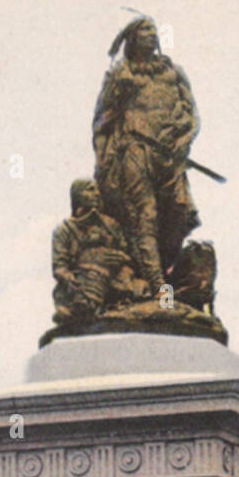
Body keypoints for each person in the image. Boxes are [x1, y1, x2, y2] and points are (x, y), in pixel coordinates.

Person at [92, 16, 201, 294]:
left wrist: (184, 141)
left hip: (171, 157)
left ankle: (162, 271)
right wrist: (105, 159)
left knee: (178, 209)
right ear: (132, 38)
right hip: (135, 150)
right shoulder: (121, 74)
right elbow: (101, 119)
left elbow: (193, 116)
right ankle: (158, 287)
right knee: (145, 215)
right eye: (144, 30)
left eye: (153, 30)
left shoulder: (173, 73)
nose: (151, 35)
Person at [51, 178, 147, 322]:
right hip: (83, 278)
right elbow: (59, 267)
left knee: (141, 289)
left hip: (117, 277)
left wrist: (119, 257)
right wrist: (72, 274)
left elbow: (127, 254)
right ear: (77, 195)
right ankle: (82, 308)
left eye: (97, 190)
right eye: (90, 189)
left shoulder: (110, 224)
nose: (96, 194)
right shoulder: (64, 229)